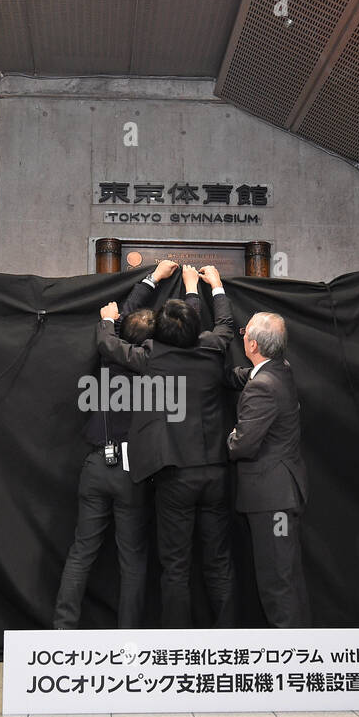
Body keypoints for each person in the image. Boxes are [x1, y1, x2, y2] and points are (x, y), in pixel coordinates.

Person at [96, 265, 235, 627]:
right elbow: (223, 324)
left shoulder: (152, 356)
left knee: (176, 567)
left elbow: (109, 347)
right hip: (217, 472)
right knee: (219, 562)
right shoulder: (213, 348)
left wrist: (109, 319)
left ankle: (178, 643)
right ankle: (232, 641)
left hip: (176, 476)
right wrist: (210, 287)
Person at [52, 260, 172, 628]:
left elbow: (123, 322)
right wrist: (157, 282)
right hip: (131, 473)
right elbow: (133, 324)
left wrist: (150, 280)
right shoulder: (156, 365)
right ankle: (127, 638)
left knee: (81, 551)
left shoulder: (110, 358)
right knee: (132, 559)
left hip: (95, 467)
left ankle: (63, 630)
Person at [225, 312, 310, 627]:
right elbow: (246, 375)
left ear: (252, 344)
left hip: (272, 499)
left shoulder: (263, 386)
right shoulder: (281, 369)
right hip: (282, 493)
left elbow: (242, 445)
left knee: (277, 583)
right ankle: (300, 652)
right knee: (288, 578)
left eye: (246, 331)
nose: (242, 334)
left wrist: (228, 436)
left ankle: (290, 663)